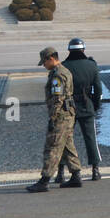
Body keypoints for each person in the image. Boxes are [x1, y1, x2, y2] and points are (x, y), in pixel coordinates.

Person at [27, 47, 82, 192]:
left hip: (61, 116)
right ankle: (76, 175)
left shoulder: (57, 75)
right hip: (68, 114)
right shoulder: (64, 71)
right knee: (67, 145)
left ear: (51, 58)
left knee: (52, 147)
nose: (44, 66)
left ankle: (44, 180)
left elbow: (58, 98)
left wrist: (52, 117)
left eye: (44, 62)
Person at [57, 37, 104, 182]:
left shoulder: (63, 66)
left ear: (69, 50)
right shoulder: (92, 65)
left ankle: (61, 172)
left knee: (64, 139)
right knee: (91, 138)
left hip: (68, 106)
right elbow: (98, 89)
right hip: (86, 104)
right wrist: (95, 106)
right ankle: (95, 170)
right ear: (83, 49)